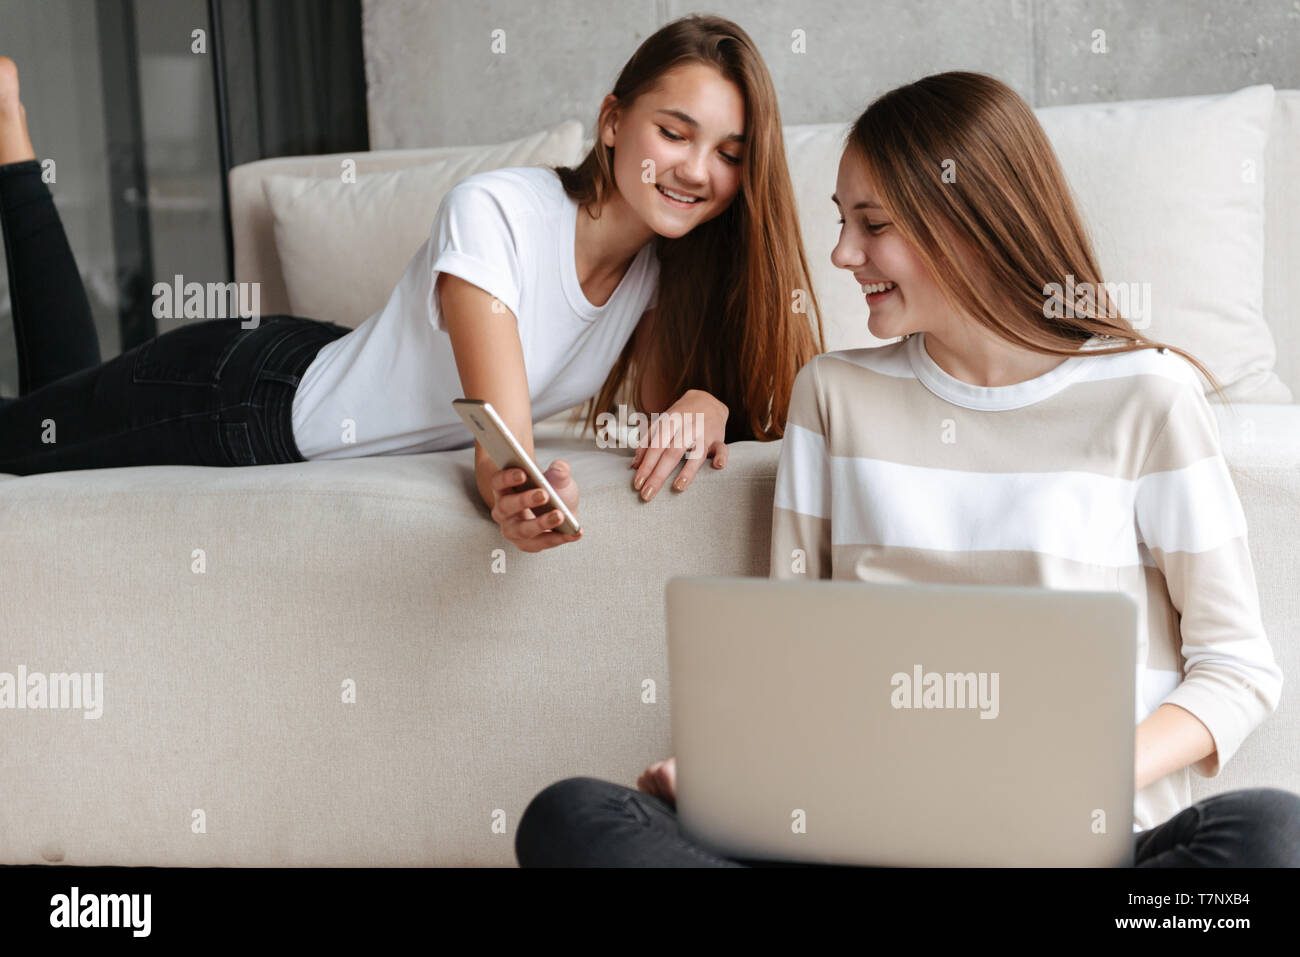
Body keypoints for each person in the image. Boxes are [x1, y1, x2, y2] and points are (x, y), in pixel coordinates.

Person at [514, 71, 1300, 867]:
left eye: (873, 224)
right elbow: (797, 666)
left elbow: (1236, 668)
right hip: (865, 838)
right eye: (842, 222)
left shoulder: (1147, 396)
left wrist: (1068, 780)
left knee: (1274, 833)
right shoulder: (836, 395)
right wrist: (738, 775)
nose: (844, 253)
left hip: (1075, 843)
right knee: (571, 815)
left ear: (972, 223)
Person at [0, 14, 825, 554]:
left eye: (728, 153)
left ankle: (9, 146)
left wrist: (706, 402)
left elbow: (657, 415)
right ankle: (12, 146)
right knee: (17, 440)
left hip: (321, 356)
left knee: (50, 408)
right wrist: (514, 492)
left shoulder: (659, 277)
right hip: (244, 399)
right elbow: (497, 440)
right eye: (674, 132)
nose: (696, 170)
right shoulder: (497, 211)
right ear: (613, 122)